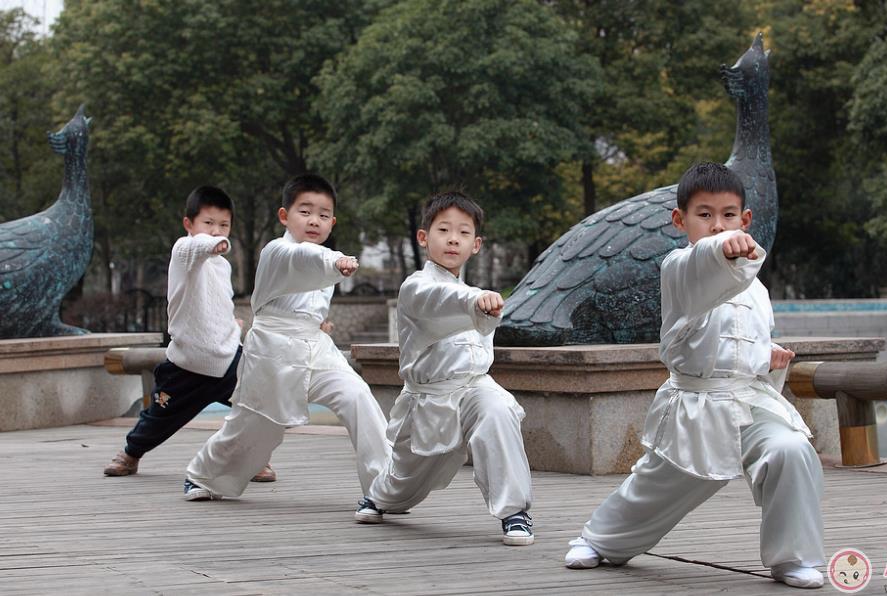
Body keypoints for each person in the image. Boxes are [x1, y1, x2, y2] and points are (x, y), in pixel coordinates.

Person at [563, 162, 825, 589]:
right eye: (704, 215)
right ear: (680, 220)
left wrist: (766, 354)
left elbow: (740, 343)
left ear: (745, 219)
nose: (716, 225)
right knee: (657, 485)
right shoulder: (678, 266)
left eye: (727, 215)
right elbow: (705, 272)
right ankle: (600, 539)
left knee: (790, 449)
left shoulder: (757, 288)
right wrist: (722, 250)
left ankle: (791, 557)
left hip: (748, 401)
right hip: (695, 404)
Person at [183, 174, 390, 504]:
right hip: (272, 350)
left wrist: (320, 324)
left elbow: (310, 297)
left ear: (332, 222)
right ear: (284, 215)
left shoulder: (325, 259)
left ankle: (383, 489)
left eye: (323, 215)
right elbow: (304, 260)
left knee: (358, 397)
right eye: (305, 211)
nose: (314, 220)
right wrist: (335, 261)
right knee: (255, 424)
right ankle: (204, 474)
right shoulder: (277, 251)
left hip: (316, 348)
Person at [356, 191, 534, 547]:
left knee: (498, 409)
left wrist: (478, 300)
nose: (453, 239)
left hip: (473, 388)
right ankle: (380, 496)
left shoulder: (475, 295)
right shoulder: (416, 288)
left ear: (476, 244)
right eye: (444, 230)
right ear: (424, 238)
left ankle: (515, 511)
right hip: (428, 399)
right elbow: (437, 302)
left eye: (464, 232)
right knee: (403, 483)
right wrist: (475, 300)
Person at [103, 186, 275, 483]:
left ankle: (254, 459)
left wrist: (234, 328)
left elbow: (217, 305)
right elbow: (193, 247)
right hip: (187, 363)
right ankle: (131, 454)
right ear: (189, 225)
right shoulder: (183, 252)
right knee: (158, 417)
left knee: (257, 406)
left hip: (226, 359)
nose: (216, 231)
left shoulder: (223, 266)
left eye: (224, 225)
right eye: (208, 224)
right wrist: (210, 244)